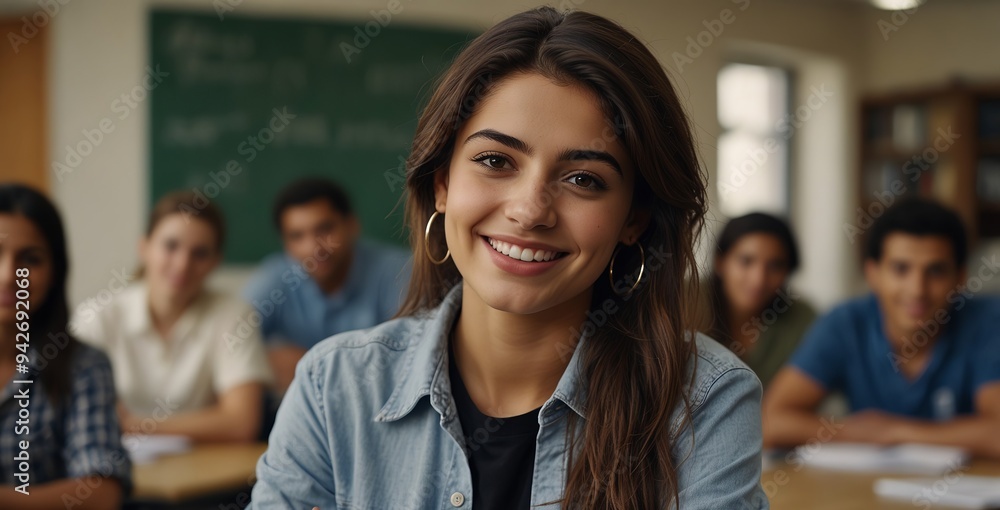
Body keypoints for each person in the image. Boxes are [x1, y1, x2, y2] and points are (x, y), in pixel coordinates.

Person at [252, 7, 767, 509]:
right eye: (495, 161)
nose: (529, 210)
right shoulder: (334, 386)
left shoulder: (703, 401)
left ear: (634, 218)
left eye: (584, 179)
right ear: (443, 185)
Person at [763, 199, 1000, 458]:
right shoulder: (845, 324)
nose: (917, 290)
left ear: (960, 278)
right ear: (873, 273)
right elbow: (771, 423)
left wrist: (895, 432)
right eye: (901, 269)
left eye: (936, 271)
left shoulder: (988, 323)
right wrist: (860, 432)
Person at [72, 191, 272, 442]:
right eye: (170, 246)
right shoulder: (98, 316)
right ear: (144, 247)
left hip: (206, 475)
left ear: (215, 262)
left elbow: (242, 423)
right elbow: (72, 415)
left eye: (200, 253)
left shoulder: (233, 315)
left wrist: (134, 425)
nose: (182, 264)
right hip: (114, 472)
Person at [0, 184, 131, 509]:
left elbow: (100, 493)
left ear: (55, 273)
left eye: (30, 259)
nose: (7, 275)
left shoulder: (82, 366)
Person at [243, 178, 411, 393]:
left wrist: (311, 364)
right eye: (297, 236)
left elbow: (412, 357)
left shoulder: (400, 272)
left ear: (352, 225)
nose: (314, 247)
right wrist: (263, 358)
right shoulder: (276, 277)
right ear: (285, 243)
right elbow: (228, 340)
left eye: (324, 229)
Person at [702, 213, 816, 387]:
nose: (759, 279)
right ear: (720, 262)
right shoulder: (680, 303)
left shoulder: (802, 319)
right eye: (746, 261)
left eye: (775, 265)